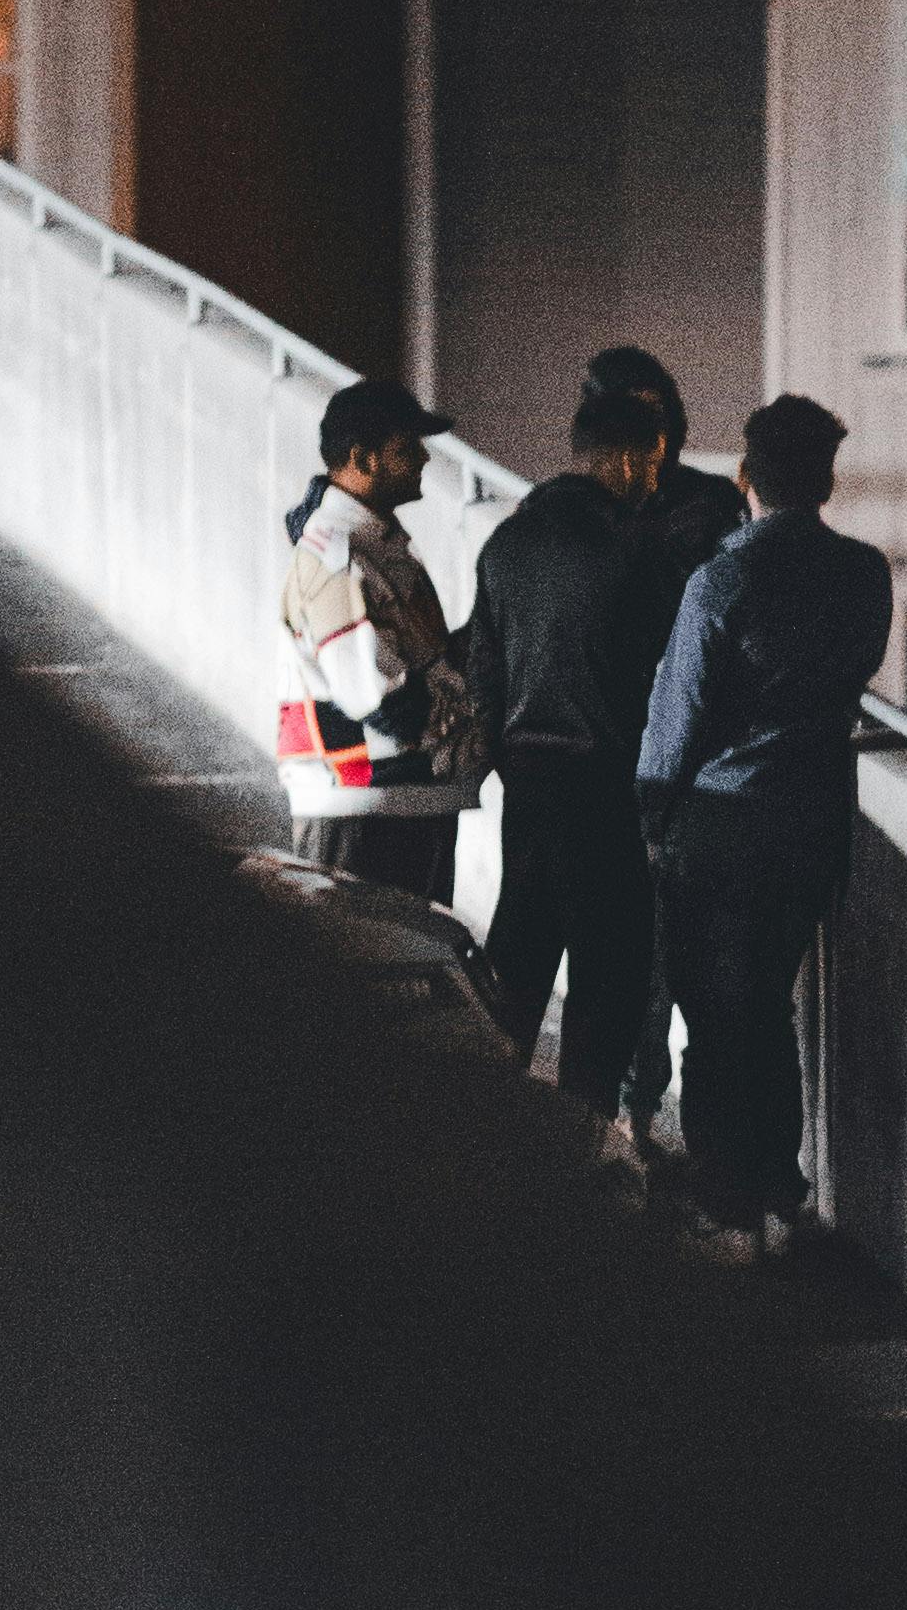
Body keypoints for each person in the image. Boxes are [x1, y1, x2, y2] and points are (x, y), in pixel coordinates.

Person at [635, 393, 892, 1256]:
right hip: (813, 818)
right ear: (825, 479)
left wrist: (652, 810)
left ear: (745, 476)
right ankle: (780, 1190)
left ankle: (729, 1204)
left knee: (714, 1015)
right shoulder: (864, 574)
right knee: (769, 1008)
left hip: (722, 821)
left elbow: (680, 714)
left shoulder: (722, 579)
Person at [464, 367, 682, 1153]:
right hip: (605, 789)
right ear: (628, 459)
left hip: (527, 786)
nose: (653, 485)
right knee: (606, 982)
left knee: (515, 970)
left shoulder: (507, 542)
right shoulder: (636, 552)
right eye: (653, 466)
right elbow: (670, 678)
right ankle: (579, 1151)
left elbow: (482, 670)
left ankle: (480, 1140)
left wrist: (502, 756)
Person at [577, 345, 743, 1137]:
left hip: (684, 754)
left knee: (669, 957)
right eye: (636, 419)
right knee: (618, 954)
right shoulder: (575, 516)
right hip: (605, 756)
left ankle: (641, 1116)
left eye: (662, 415)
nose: (657, 436)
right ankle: (620, 1116)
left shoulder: (703, 506)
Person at [277, 375, 481, 904]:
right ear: (363, 459)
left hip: (397, 801)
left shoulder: (377, 548)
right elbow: (382, 698)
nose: (423, 458)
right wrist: (465, 705)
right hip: (364, 809)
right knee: (360, 979)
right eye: (408, 446)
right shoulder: (336, 555)